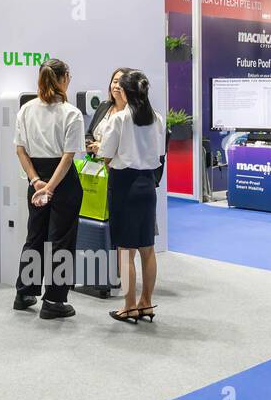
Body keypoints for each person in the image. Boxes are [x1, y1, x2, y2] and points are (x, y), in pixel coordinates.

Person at [12, 58, 84, 319]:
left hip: (37, 179)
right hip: (61, 182)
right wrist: (51, 187)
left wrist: (36, 182)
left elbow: (20, 150)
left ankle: (25, 292)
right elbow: (67, 157)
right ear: (63, 79)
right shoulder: (71, 113)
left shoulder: (26, 110)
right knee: (61, 240)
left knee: (36, 235)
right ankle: (54, 300)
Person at [98, 70, 165, 324]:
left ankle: (128, 306)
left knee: (125, 251)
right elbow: (159, 154)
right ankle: (146, 303)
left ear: (125, 92)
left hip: (124, 185)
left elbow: (106, 154)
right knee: (147, 248)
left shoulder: (120, 120)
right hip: (147, 184)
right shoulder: (157, 118)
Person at [86, 67, 133, 155]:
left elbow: (131, 147)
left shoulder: (133, 113)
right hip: (96, 165)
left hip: (118, 166)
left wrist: (103, 148)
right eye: (115, 82)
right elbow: (90, 133)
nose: (117, 86)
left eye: (123, 83)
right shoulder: (104, 105)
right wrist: (89, 143)